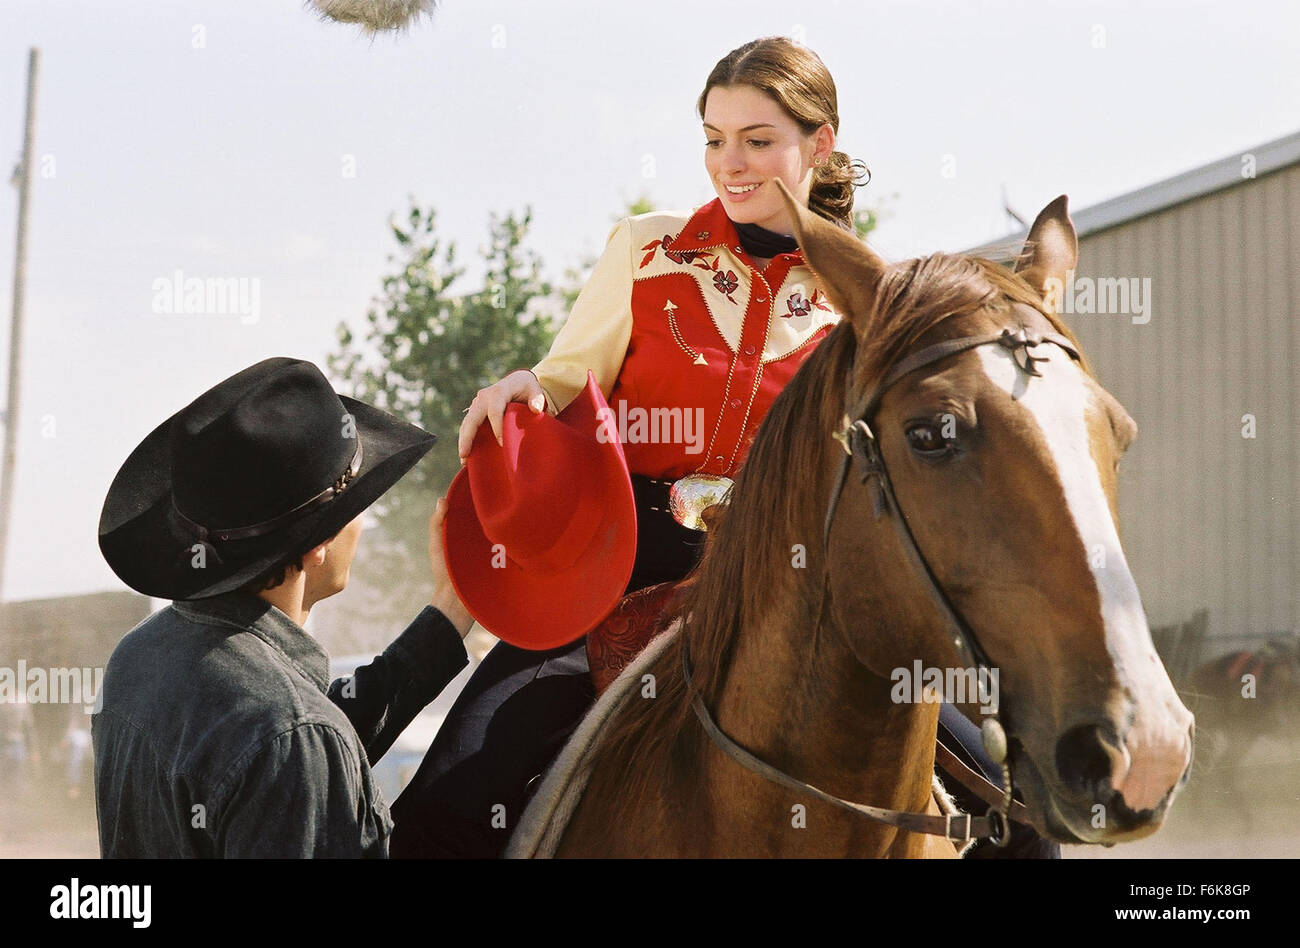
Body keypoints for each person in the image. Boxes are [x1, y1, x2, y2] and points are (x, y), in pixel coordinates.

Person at [392, 36, 1057, 858]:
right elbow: (562, 382)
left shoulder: (872, 302)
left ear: (822, 144)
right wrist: (522, 389)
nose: (728, 164)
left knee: (1022, 822)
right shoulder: (644, 249)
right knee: (440, 813)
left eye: (756, 140)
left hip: (802, 600)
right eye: (713, 138)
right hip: (616, 578)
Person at [93, 357, 474, 858]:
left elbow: (289, 744)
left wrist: (453, 601)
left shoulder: (136, 659)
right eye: (358, 502)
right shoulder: (293, 733)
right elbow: (295, 743)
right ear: (318, 544)